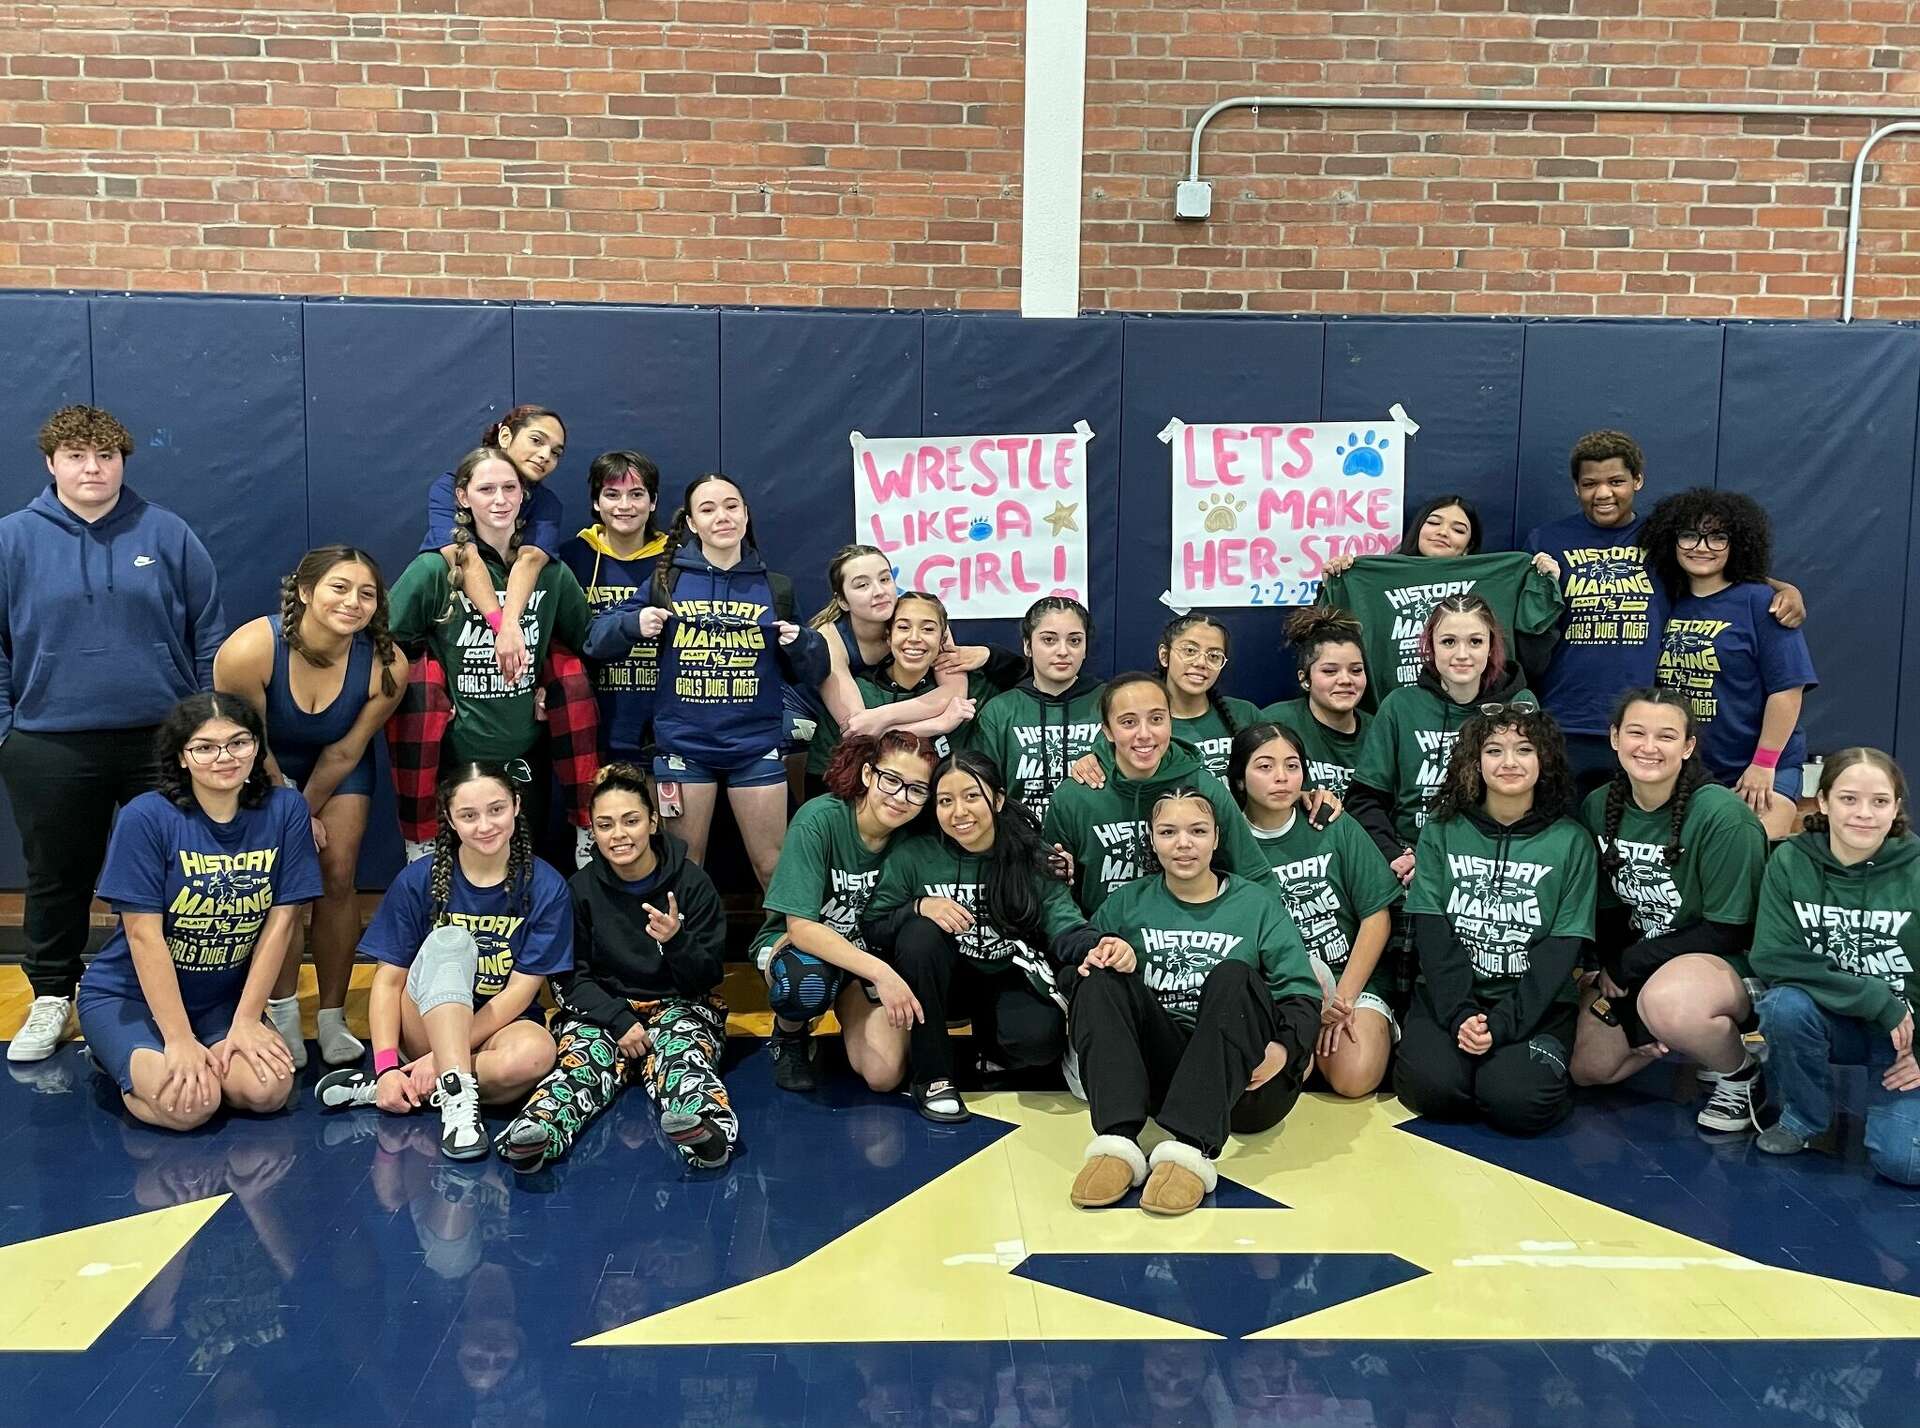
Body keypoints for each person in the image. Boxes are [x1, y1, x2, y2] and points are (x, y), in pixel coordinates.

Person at [1, 404, 226, 1064]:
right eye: (76, 456)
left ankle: (190, 987)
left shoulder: (167, 533)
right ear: (52, 464)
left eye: (105, 456)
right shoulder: (13, 539)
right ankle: (50, 994)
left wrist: (208, 721)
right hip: (48, 741)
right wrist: (7, 731)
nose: (92, 468)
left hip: (162, 738)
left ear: (123, 461)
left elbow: (209, 633)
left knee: (187, 872)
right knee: (57, 875)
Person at [1069, 788, 1322, 1216]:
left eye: (1197, 831)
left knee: (1234, 975)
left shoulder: (1256, 904)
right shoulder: (1128, 902)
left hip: (1246, 1082)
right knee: (1100, 973)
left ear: (1217, 838)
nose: (1183, 843)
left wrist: (1282, 1050)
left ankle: (1189, 1150)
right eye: (1168, 832)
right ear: (1152, 840)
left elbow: (1302, 995)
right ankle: (1116, 1143)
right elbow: (1075, 975)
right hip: (1164, 1078)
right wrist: (1105, 951)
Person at [74, 694, 320, 1130]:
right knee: (190, 1106)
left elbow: (282, 923)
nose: (224, 757)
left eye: (239, 743)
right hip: (130, 998)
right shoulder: (146, 817)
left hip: (221, 1001)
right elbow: (143, 937)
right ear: (182, 758)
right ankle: (116, 1056)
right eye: (205, 747)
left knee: (267, 1092)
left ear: (257, 749)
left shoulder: (286, 810)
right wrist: (178, 1039)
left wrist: (246, 1019)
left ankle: (198, 1059)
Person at [213, 546, 409, 1070]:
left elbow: (346, 751)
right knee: (279, 879)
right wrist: (290, 814)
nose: (353, 602)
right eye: (339, 588)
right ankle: (277, 1011)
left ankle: (331, 1013)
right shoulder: (248, 650)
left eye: (367, 593)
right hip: (258, 762)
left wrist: (308, 806)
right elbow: (242, 743)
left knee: (338, 874)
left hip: (338, 766)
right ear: (304, 591)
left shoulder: (386, 663)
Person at [315, 762, 571, 1160]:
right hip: (423, 1025)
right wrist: (384, 1063)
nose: (485, 825)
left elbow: (521, 991)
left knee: (537, 1055)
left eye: (496, 809)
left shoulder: (547, 886)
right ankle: (455, 1104)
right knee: (451, 941)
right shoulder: (418, 880)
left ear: (517, 806)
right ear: (450, 819)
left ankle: (408, 1084)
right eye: (468, 815)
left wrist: (440, 1059)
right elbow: (387, 983)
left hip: (494, 1026)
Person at [1524, 430, 1805, 792]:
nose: (1604, 493)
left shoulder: (1657, 535)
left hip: (1642, 728)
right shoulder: (1546, 539)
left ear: (1637, 480)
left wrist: (1786, 589)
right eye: (1590, 483)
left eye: (1616, 481)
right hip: (1565, 715)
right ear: (1576, 487)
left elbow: (1716, 564)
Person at [589, 473, 826, 888]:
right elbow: (595, 639)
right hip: (684, 747)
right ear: (693, 523)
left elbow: (814, 671)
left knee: (774, 868)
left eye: (732, 506)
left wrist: (800, 643)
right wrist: (633, 623)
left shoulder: (775, 587)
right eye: (708, 509)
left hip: (755, 746)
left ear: (746, 515)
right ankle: (684, 951)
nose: (722, 516)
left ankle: (784, 950)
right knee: (684, 869)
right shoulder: (667, 581)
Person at [495, 764, 735, 1172]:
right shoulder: (580, 890)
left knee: (684, 1062)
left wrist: (676, 941)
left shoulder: (692, 883)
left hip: (679, 1008)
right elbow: (569, 979)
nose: (619, 834)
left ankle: (708, 1136)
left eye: (631, 821)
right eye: (605, 824)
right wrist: (619, 1020)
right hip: (606, 1012)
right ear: (593, 830)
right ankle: (534, 1138)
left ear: (653, 822)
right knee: (578, 1069)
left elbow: (708, 974)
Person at [1569, 688, 1768, 1132]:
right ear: (1615, 738)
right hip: (1645, 962)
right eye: (1636, 732)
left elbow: (1731, 930)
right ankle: (1679, 1040)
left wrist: (1631, 965)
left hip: (1727, 964)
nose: (1649, 747)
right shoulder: (1599, 805)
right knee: (1589, 1069)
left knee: (1670, 1003)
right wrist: (1612, 969)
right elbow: (1607, 910)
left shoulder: (1723, 816)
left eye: (1666, 736)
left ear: (1688, 746)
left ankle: (1741, 1074)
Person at [1392, 708, 1596, 1136]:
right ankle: (1473, 1064)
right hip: (1450, 999)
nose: (1509, 762)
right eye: (1494, 750)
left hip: (1533, 1006)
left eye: (1525, 750)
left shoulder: (1571, 841)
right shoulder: (1443, 830)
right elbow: (1433, 930)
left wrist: (1503, 1025)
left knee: (1517, 1103)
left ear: (1545, 762)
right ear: (1475, 761)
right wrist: (1462, 1013)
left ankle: (1501, 1072)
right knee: (1432, 1092)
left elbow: (1561, 950)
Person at [861, 750, 1096, 1122]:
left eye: (972, 796)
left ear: (998, 799)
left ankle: (991, 1049)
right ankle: (933, 1076)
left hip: (1008, 974)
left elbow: (1062, 921)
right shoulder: (914, 855)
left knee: (1037, 1043)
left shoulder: (1031, 855)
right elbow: (874, 925)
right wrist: (918, 906)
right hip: (941, 981)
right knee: (918, 935)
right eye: (945, 801)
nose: (959, 812)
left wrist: (1094, 947)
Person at [387, 447, 596, 864]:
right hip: (454, 749)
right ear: (463, 498)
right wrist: (427, 686)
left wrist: (551, 684)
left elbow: (584, 640)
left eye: (509, 488)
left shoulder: (551, 573)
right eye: (486, 489)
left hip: (525, 745)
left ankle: (585, 832)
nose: (499, 500)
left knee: (524, 870)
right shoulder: (433, 570)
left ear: (523, 497)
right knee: (452, 879)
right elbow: (387, 640)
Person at [1750, 748, 1920, 1183]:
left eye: (1879, 801)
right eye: (1848, 799)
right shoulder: (1790, 860)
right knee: (1783, 1006)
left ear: (1896, 808)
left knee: (1904, 1164)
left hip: (1905, 1038)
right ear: (1823, 802)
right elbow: (1771, 955)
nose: (1864, 814)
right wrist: (1875, 998)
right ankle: (1804, 1118)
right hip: (1831, 1020)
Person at [751, 731, 941, 1094]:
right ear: (869, 775)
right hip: (801, 949)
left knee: (883, 1076)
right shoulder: (820, 818)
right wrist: (882, 973)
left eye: (916, 789)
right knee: (803, 980)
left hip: (864, 957)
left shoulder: (916, 835)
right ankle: (789, 1035)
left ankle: (847, 1009)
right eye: (892, 780)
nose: (901, 798)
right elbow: (803, 928)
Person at [1230, 723, 1401, 1097]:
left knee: (1354, 1077)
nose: (1281, 777)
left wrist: (1342, 1000)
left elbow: (1376, 916)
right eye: (1264, 767)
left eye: (1292, 766)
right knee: (1274, 1082)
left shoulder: (1333, 824)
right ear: (1240, 779)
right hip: (1279, 988)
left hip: (1346, 978)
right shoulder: (1228, 842)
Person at [1645, 488, 1816, 839]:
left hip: (1755, 769)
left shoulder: (1762, 602)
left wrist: (1763, 764)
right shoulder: (1665, 601)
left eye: (1717, 537)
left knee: (1748, 850)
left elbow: (1787, 689)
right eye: (1690, 534)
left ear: (1737, 543)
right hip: (1688, 770)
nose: (1701, 546)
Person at [1346, 593, 1537, 888]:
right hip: (1409, 862)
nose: (1462, 654)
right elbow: (1365, 798)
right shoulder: (1400, 705)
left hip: (1488, 864)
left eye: (1475, 641)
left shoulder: (1519, 706)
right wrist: (1395, 855)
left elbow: (1539, 799)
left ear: (1491, 647)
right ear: (1430, 646)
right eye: (1449, 642)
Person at [1041, 672, 1271, 914]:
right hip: (1103, 941)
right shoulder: (1074, 797)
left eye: (1157, 719)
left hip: (1190, 939)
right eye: (1128, 722)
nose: (1144, 734)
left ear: (1171, 722)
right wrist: (1080, 943)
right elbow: (1053, 894)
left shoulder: (1204, 788)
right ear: (1107, 731)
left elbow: (1255, 875)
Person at [1320, 494, 1564, 705]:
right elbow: (1325, 636)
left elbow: (1534, 647)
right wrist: (1338, 579)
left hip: (1477, 710)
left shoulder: (1501, 576)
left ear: (1469, 547)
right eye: (1434, 522)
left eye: (1458, 529)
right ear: (1417, 529)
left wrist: (1543, 578)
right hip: (1399, 714)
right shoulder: (1369, 577)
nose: (1443, 532)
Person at [800, 543, 986, 791]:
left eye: (885, 579)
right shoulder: (830, 639)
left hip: (879, 709)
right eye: (862, 585)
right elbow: (860, 730)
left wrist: (882, 716)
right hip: (821, 717)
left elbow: (953, 694)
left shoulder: (920, 614)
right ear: (843, 601)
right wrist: (937, 725)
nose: (879, 591)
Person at [423, 405, 568, 688]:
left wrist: (511, 628)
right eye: (537, 440)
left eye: (556, 452)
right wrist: (503, 626)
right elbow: (463, 557)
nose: (545, 456)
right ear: (505, 436)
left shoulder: (546, 504)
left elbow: (530, 560)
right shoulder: (447, 489)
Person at [810, 591, 1022, 770]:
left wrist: (988, 654)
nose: (914, 637)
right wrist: (939, 724)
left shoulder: (974, 688)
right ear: (888, 636)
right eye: (903, 627)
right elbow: (822, 779)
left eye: (928, 629)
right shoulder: (857, 695)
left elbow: (1032, 678)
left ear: (942, 640)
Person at [558, 451, 668, 761]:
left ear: (653, 501)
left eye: (636, 494)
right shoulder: (568, 559)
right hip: (586, 720)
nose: (624, 506)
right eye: (612, 494)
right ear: (596, 502)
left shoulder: (677, 562)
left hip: (659, 729)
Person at [968, 596, 1105, 823]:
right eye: (1049, 640)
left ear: (1085, 648)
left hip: (1091, 843)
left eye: (1074, 641)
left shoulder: (1110, 703)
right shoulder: (999, 711)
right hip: (1019, 844)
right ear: (1028, 646)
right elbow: (982, 791)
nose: (1063, 651)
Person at [1260, 606, 1372, 798]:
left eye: (1356, 670)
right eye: (1330, 671)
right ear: (1305, 679)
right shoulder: (1276, 722)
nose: (1346, 680)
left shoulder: (1379, 730)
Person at [1154, 614, 1259, 779]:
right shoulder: (1143, 725)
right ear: (1164, 656)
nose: (1201, 663)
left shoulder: (1245, 714)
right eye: (1190, 651)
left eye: (1214, 656)